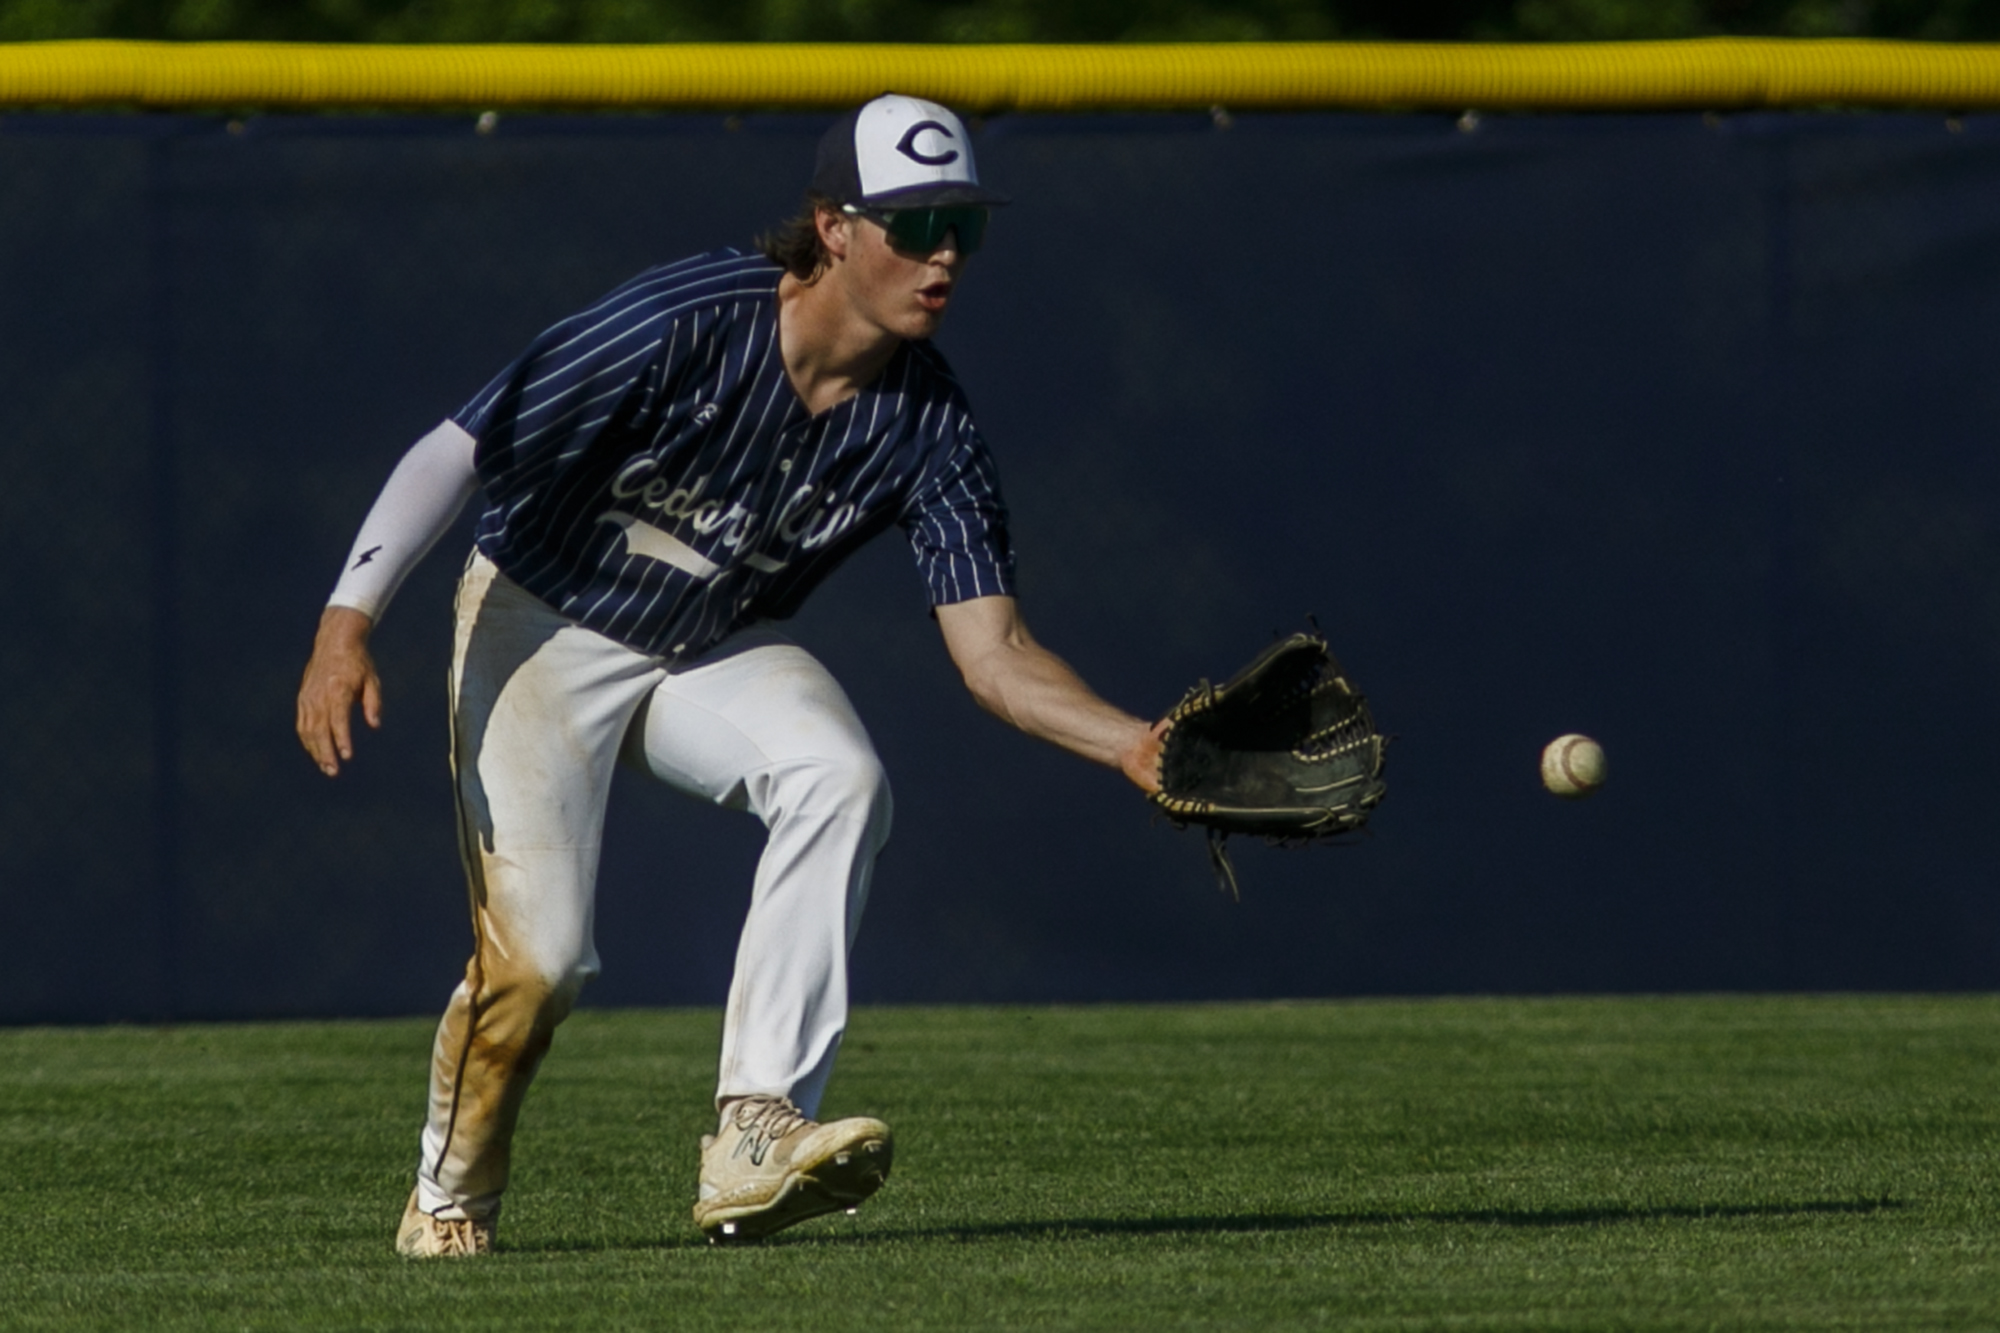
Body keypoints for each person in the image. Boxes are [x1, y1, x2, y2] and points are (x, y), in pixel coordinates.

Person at [295, 93, 1164, 1256]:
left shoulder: (927, 424)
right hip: (538, 621)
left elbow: (992, 652)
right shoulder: (681, 321)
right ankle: (449, 1197)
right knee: (540, 967)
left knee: (839, 775)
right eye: (912, 223)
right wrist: (346, 620)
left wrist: (1132, 742)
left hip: (700, 641)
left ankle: (755, 1125)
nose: (943, 250)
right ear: (833, 227)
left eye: (962, 222)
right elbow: (462, 444)